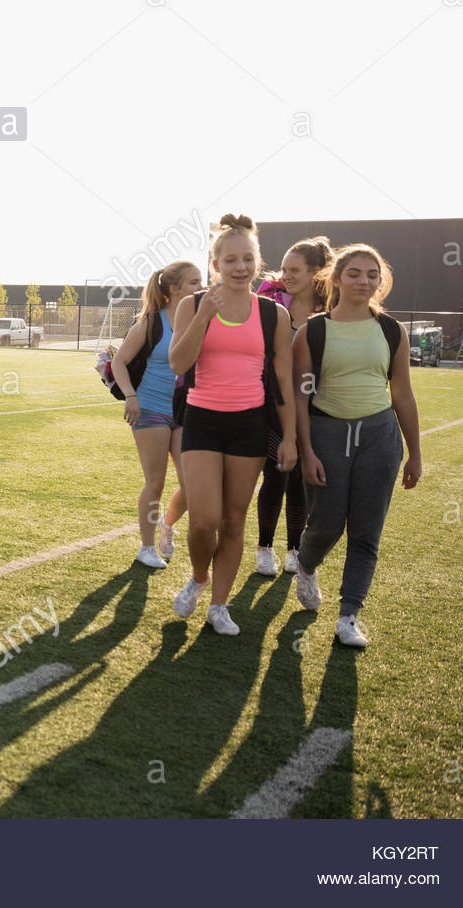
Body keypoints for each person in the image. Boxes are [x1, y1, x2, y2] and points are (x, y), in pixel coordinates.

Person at [168, 214, 297, 636]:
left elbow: (282, 379)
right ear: (216, 263)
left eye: (247, 259)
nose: (239, 267)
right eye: (230, 260)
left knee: (233, 521)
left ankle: (219, 605)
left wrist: (291, 437)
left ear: (257, 263)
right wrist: (204, 315)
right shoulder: (193, 304)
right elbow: (178, 363)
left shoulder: (273, 313)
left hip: (250, 425)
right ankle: (199, 578)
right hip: (202, 421)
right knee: (203, 521)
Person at [291, 244, 421, 648]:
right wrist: (307, 451)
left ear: (380, 282)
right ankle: (307, 567)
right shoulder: (312, 331)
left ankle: (349, 616)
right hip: (327, 436)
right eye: (354, 273)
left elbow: (402, 394)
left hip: (379, 437)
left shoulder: (391, 330)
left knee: (366, 533)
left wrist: (414, 452)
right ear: (336, 279)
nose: (364, 281)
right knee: (326, 525)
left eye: (372, 275)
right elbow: (300, 397)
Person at [109, 261, 200, 569]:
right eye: (193, 282)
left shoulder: (200, 320)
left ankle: (167, 523)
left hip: (185, 408)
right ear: (174, 289)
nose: (200, 287)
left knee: (192, 485)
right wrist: (131, 397)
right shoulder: (151, 322)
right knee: (156, 481)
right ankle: (146, 548)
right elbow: (119, 362)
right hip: (149, 407)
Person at [253, 237, 331, 576]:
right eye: (283, 269)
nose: (286, 275)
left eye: (294, 270)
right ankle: (264, 547)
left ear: (317, 272)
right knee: (276, 474)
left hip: (315, 407)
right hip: (273, 403)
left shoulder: (332, 311)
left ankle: (295, 549)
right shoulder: (270, 305)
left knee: (301, 482)